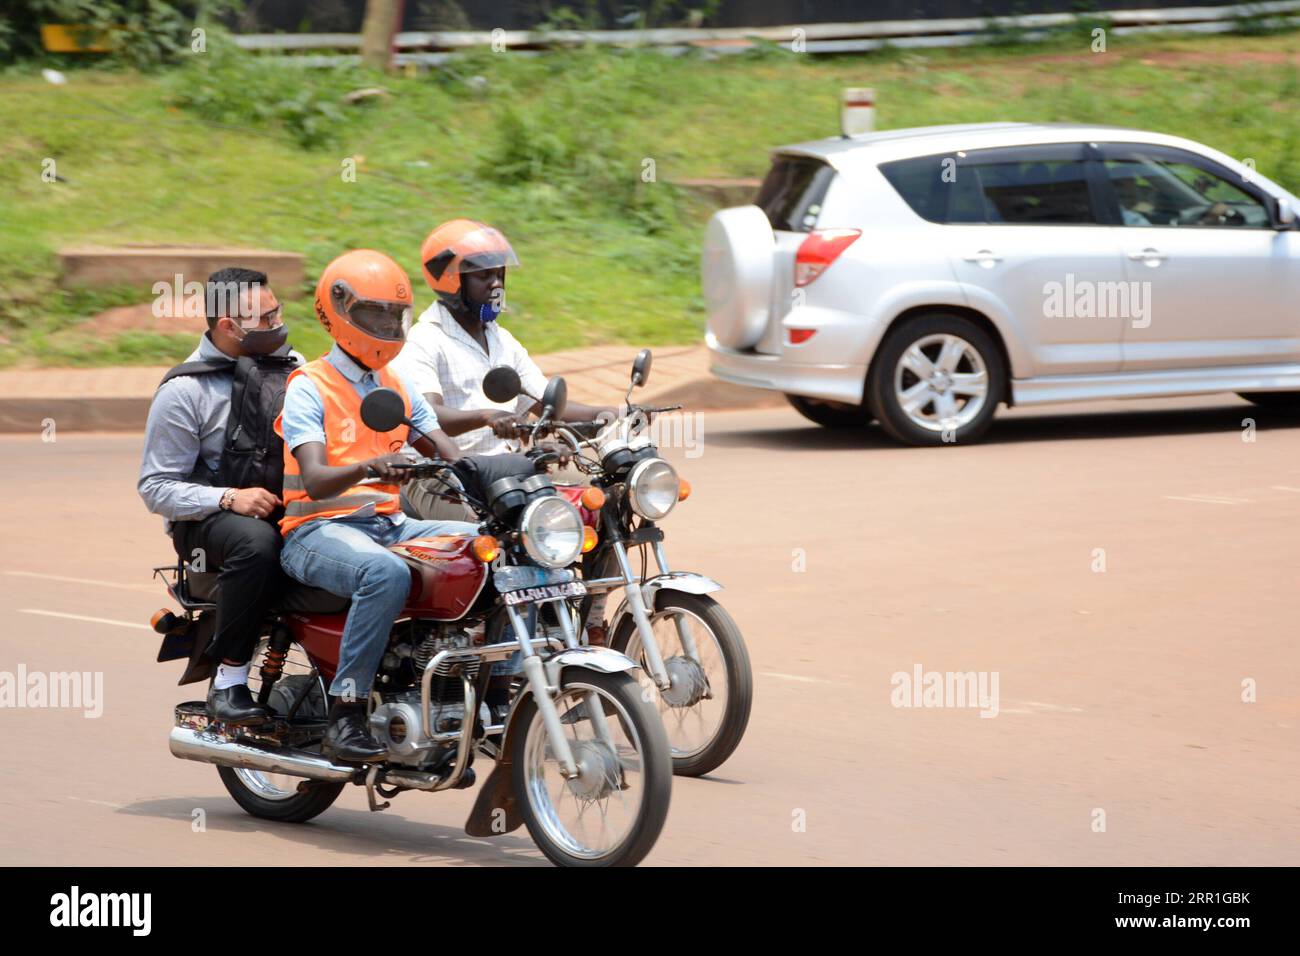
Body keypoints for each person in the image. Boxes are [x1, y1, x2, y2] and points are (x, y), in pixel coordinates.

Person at [276, 249, 476, 764]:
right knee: (384, 575)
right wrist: (370, 467)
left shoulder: (396, 385)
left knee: (484, 548)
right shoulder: (309, 387)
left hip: (389, 524)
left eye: (396, 315)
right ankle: (346, 710)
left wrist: (521, 465)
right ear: (337, 310)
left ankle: (469, 684)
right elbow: (317, 480)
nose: (388, 326)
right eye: (375, 314)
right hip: (316, 532)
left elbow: (447, 452)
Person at [139, 267, 300, 724]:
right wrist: (230, 498)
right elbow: (155, 487)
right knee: (256, 542)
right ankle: (229, 683)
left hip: (287, 503)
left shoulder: (295, 367)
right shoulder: (184, 391)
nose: (278, 325)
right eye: (266, 319)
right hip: (210, 527)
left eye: (277, 312)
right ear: (229, 327)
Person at [390, 219, 614, 521]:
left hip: (508, 469)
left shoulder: (501, 339)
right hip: (441, 476)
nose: (496, 284)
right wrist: (487, 415)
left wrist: (610, 414)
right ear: (451, 280)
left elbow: (544, 404)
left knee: (593, 511)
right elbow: (428, 416)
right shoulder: (425, 340)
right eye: (483, 275)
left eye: (499, 274)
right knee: (489, 538)